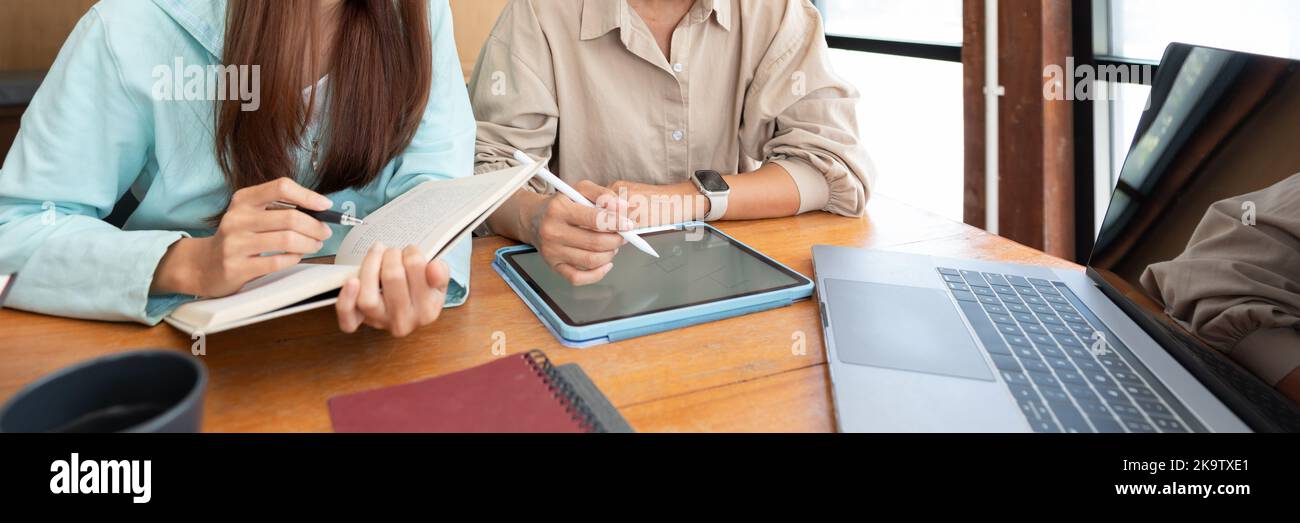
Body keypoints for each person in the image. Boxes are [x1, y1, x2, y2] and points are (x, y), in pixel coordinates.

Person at [0, 0, 475, 337]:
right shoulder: (131, 27)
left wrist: (419, 275)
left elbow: (439, 189)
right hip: (195, 358)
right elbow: (13, 232)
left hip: (368, 348)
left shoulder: (419, 13)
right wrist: (188, 263)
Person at [471, 0, 873, 285]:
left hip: (728, 282)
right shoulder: (537, 11)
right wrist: (536, 218)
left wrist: (684, 199)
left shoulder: (775, 10)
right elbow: (485, 176)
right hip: (582, 287)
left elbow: (832, 167)